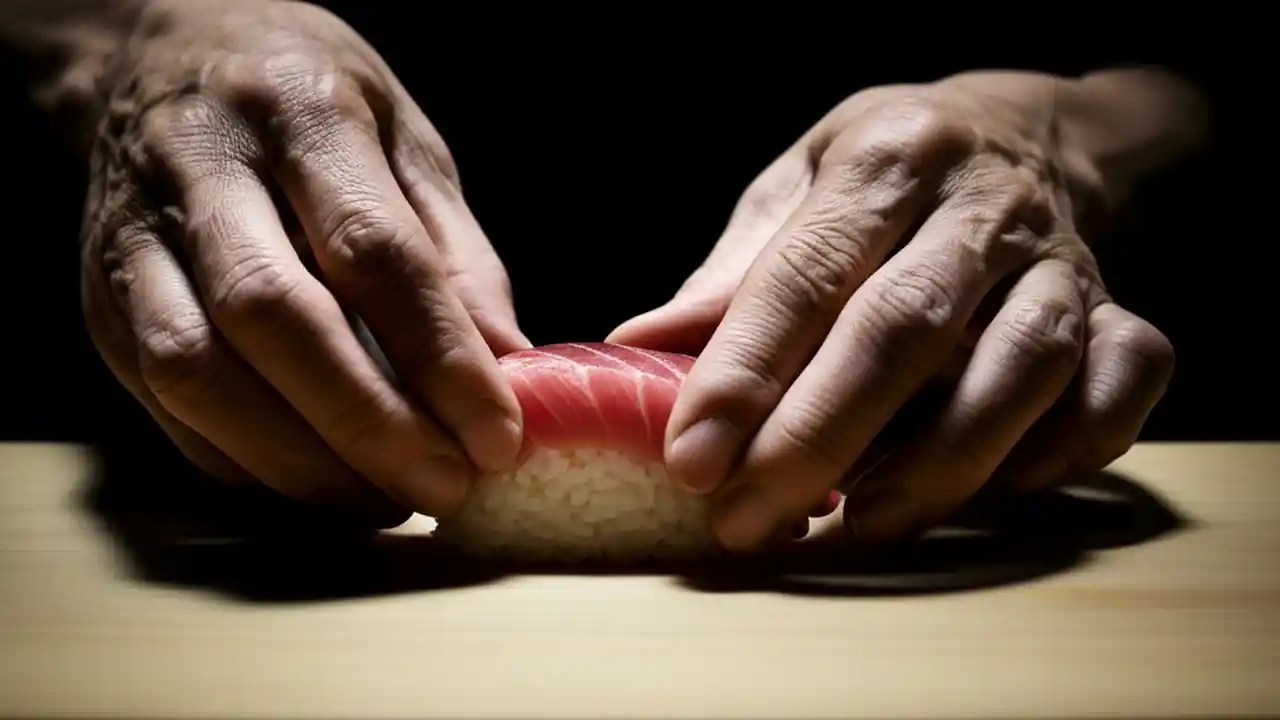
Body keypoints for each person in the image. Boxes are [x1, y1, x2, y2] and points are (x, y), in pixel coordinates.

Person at [1, 0, 1208, 550]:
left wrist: (1051, 136)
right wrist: (134, 47)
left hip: (930, 424)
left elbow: (1200, 89)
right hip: (169, 470)